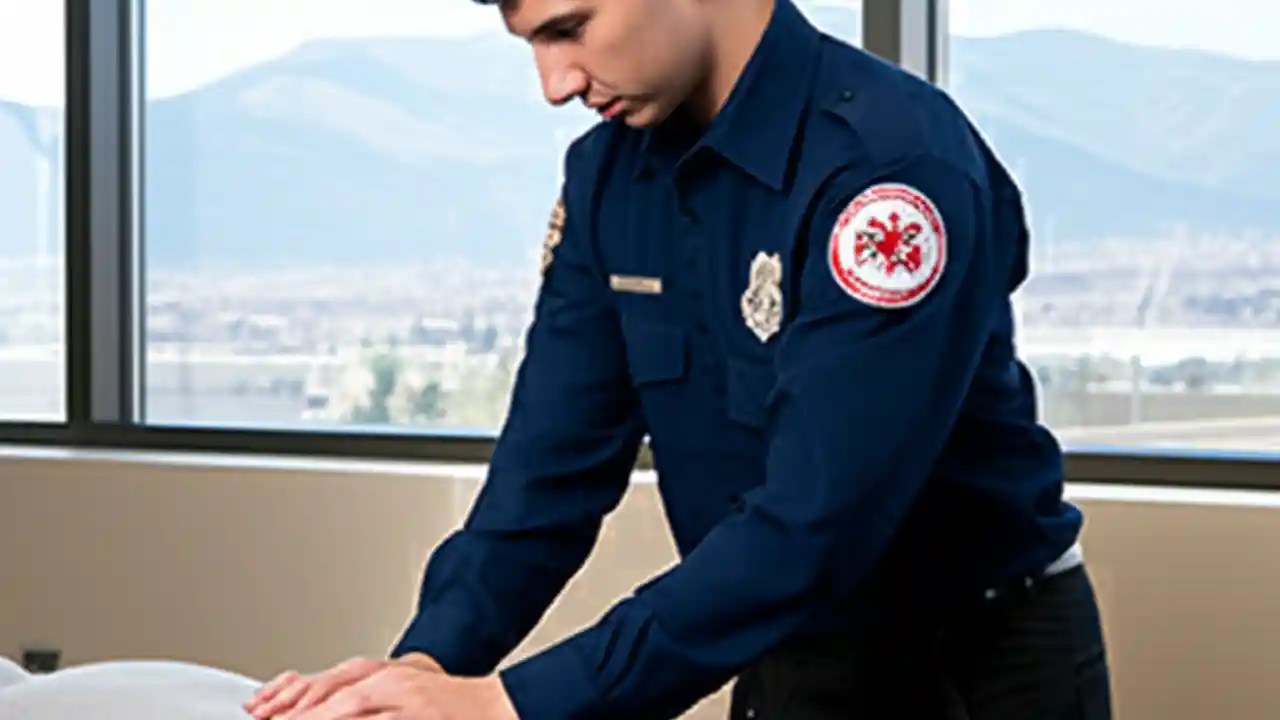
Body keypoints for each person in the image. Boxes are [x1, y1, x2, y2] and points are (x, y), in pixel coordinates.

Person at [244, 0, 1113, 717]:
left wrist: (508, 706)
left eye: (569, 28)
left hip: (966, 671)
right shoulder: (606, 179)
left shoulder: (890, 171)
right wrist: (425, 669)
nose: (554, 86)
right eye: (531, 45)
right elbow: (548, 475)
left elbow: (817, 524)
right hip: (774, 656)